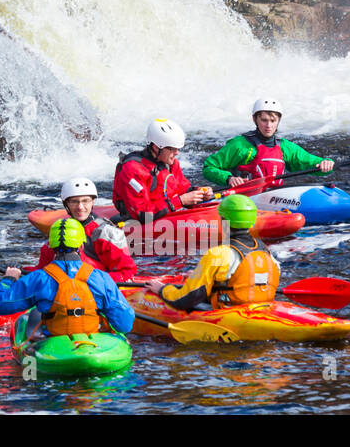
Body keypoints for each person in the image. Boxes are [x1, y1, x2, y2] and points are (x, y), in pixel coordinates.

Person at [0, 218, 136, 338]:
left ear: (51, 247)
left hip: (53, 343)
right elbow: (125, 324)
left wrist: (8, 280)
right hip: (95, 343)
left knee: (27, 319)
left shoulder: (38, 279)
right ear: (81, 246)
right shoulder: (101, 278)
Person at [144, 195, 278, 310]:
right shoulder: (266, 251)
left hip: (227, 310)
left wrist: (162, 289)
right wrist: (204, 277)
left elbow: (186, 299)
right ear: (252, 222)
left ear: (223, 220)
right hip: (260, 306)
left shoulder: (217, 254)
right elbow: (246, 278)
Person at [202, 97, 334, 192]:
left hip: (275, 197)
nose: (268, 125)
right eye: (264, 120)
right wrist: (228, 178)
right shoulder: (240, 145)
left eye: (273, 120)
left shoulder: (285, 147)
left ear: (278, 121)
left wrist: (326, 163)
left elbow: (312, 163)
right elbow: (209, 167)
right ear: (255, 119)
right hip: (244, 198)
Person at [31, 178, 136, 281]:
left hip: (95, 288)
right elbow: (41, 269)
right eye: (74, 202)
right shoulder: (59, 230)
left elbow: (126, 273)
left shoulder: (107, 233)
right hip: (66, 285)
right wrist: (20, 272)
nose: (80, 207)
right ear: (66, 204)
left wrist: (90, 279)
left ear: (93, 202)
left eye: (85, 201)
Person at [111, 118, 213, 221]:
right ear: (156, 147)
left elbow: (183, 188)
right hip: (140, 221)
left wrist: (199, 193)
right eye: (172, 148)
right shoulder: (133, 170)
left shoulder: (171, 163)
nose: (177, 153)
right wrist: (180, 201)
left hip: (165, 213)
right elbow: (144, 216)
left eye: (178, 148)